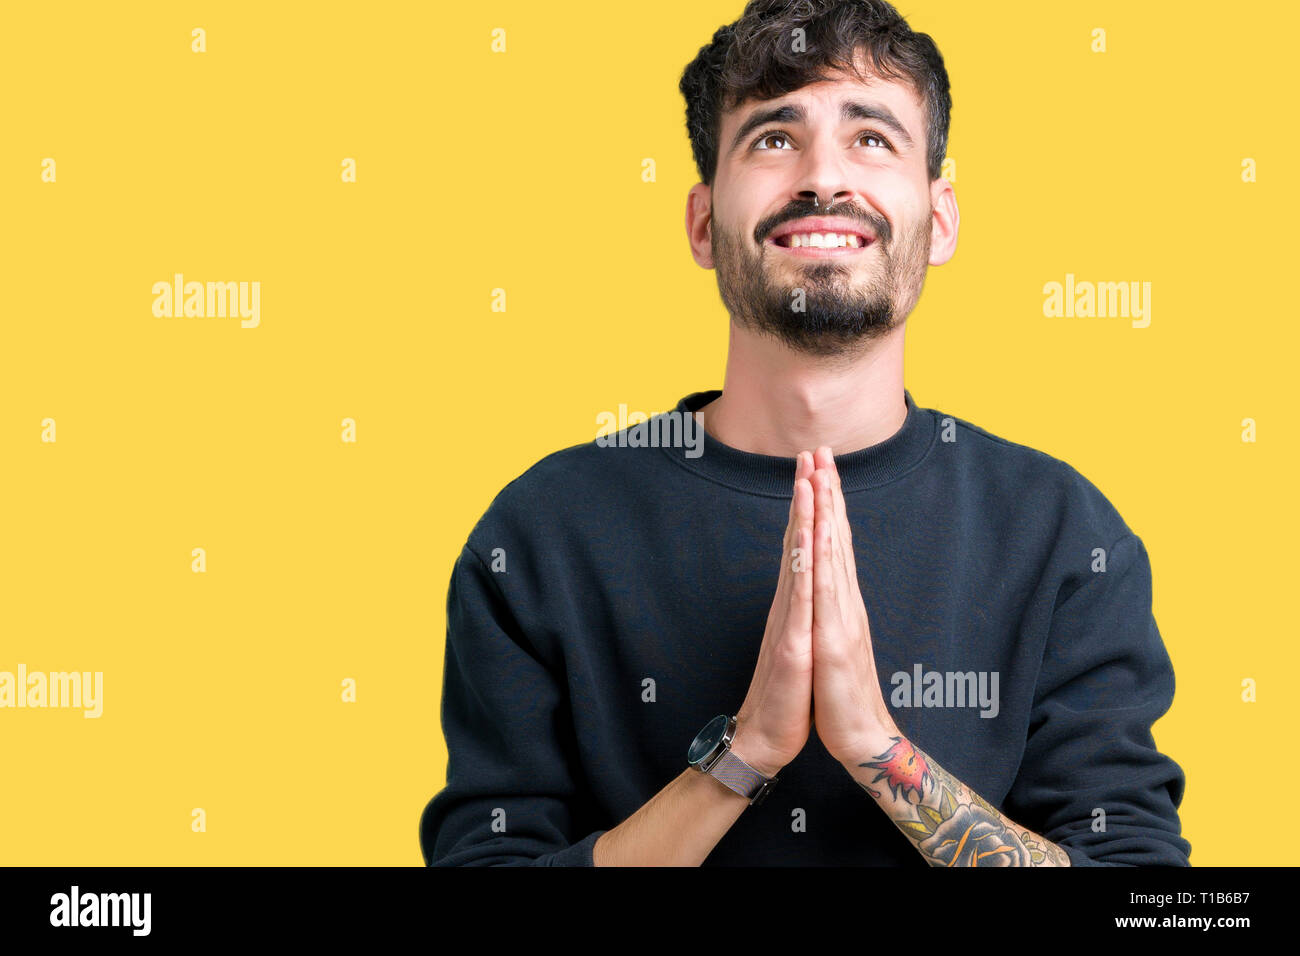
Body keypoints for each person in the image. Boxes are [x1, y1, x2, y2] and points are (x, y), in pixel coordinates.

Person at [419, 0, 1191, 866]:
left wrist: (876, 746)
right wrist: (744, 754)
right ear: (704, 224)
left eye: (872, 138)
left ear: (940, 221)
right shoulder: (538, 535)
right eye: (773, 138)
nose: (825, 178)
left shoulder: (1064, 536)